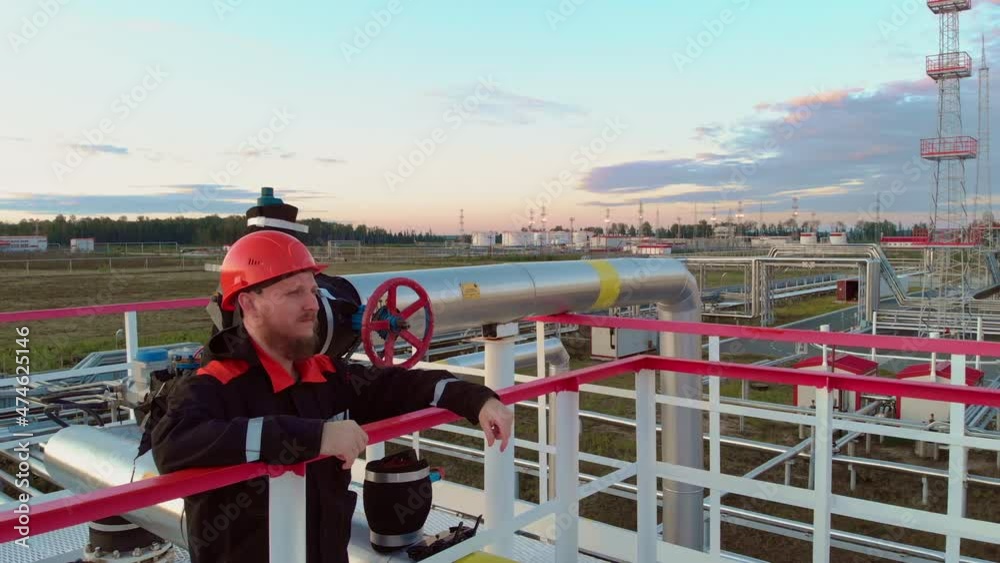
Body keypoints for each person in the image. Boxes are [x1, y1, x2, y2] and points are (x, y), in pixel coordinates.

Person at [150, 230, 514, 563]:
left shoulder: (323, 373)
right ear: (248, 304)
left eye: (312, 290)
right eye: (293, 293)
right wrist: (313, 437)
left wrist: (476, 399)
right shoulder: (215, 386)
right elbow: (172, 446)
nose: (311, 305)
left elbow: (397, 386)